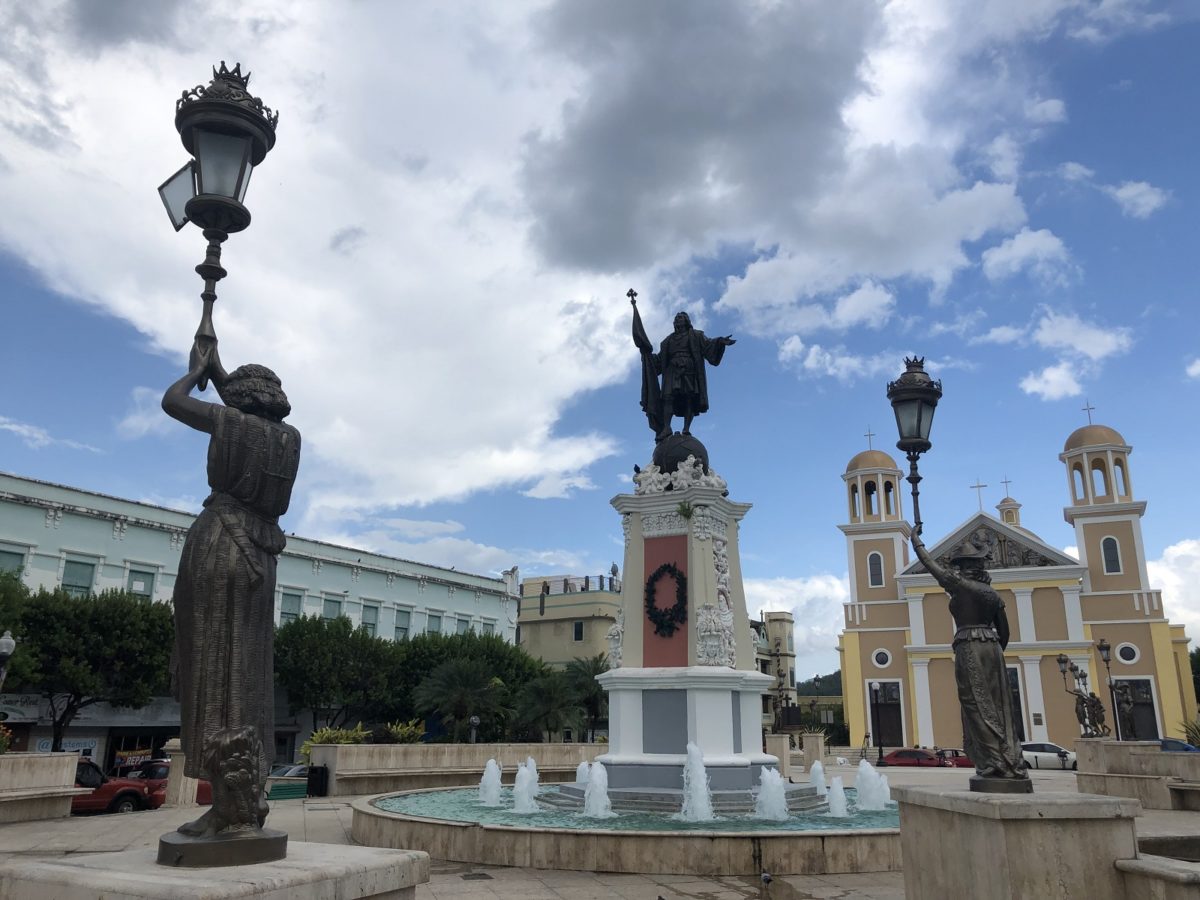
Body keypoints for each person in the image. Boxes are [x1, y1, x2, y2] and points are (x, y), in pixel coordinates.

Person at [162, 336, 301, 837]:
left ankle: (230, 806)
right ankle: (242, 801)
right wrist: (217, 369)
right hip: (261, 554)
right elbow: (242, 414)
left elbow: (173, 403)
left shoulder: (231, 423)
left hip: (221, 541)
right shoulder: (289, 439)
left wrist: (194, 372)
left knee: (213, 670)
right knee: (245, 672)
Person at [911, 529, 1029, 785]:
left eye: (962, 565)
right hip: (993, 648)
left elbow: (931, 566)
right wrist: (995, 650)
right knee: (998, 705)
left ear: (967, 567)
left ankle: (994, 761)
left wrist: (917, 542)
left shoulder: (961, 586)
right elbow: (1005, 632)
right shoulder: (992, 595)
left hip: (969, 644)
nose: (959, 570)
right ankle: (1008, 758)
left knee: (974, 703)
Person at [631, 296, 735, 441]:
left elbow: (709, 345)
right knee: (667, 398)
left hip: (689, 369)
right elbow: (660, 361)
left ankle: (686, 428)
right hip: (672, 371)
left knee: (689, 398)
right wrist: (648, 356)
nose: (677, 319)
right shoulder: (667, 341)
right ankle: (667, 427)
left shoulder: (696, 335)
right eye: (676, 318)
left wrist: (720, 342)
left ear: (687, 321)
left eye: (680, 317)